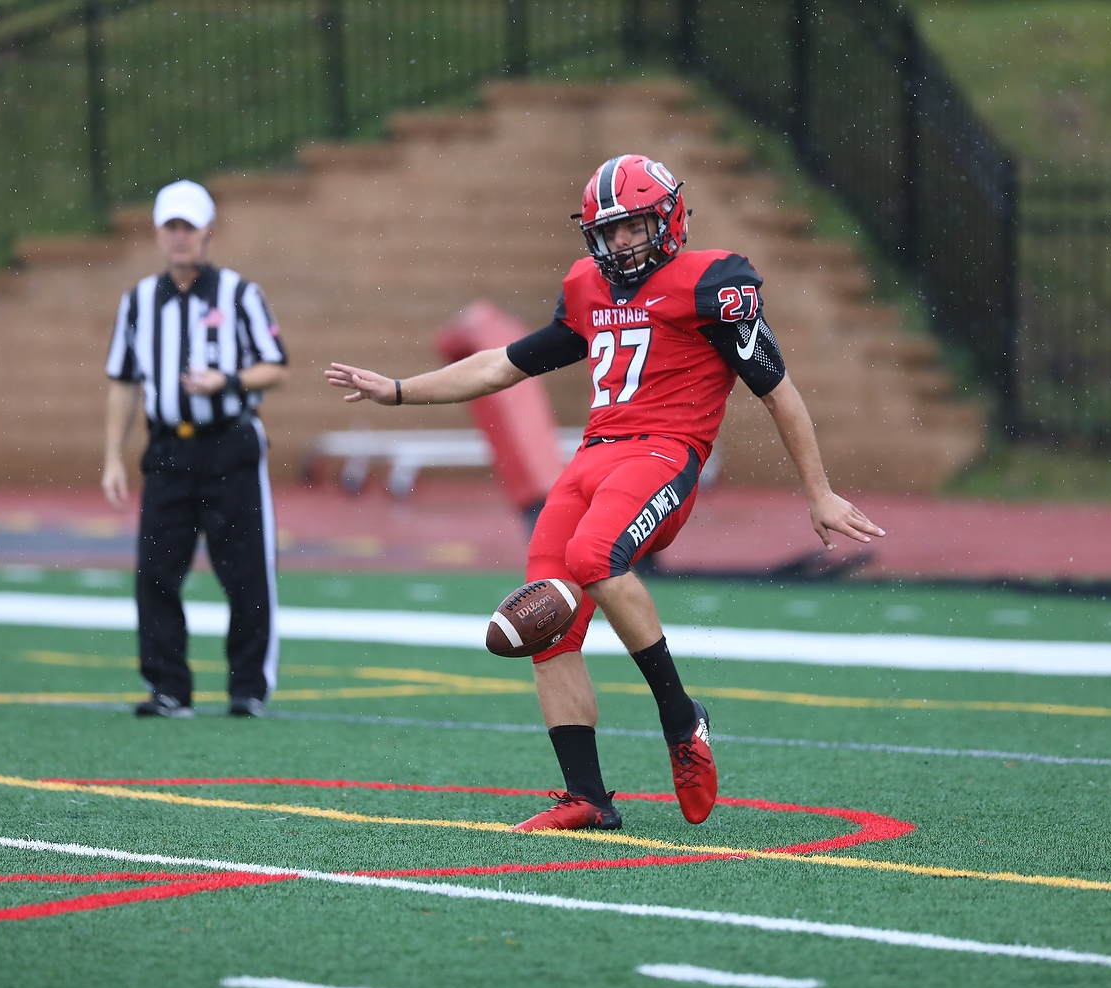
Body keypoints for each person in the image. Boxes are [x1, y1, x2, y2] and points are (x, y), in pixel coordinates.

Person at [325, 155, 882, 830]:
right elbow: (505, 363)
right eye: (607, 231)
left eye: (632, 227)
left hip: (664, 454)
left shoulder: (713, 283)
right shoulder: (587, 288)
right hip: (592, 458)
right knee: (548, 622)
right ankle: (586, 796)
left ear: (668, 217)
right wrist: (402, 389)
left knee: (595, 557)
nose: (619, 243)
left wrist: (818, 492)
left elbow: (779, 394)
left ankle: (680, 718)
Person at [102, 180, 289, 719]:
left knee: (246, 570)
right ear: (158, 233)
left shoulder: (238, 295)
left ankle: (247, 687)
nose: (180, 237)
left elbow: (275, 365)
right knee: (156, 571)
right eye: (171, 226)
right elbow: (123, 379)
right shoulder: (138, 301)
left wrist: (227, 381)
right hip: (168, 451)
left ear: (208, 232)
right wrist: (113, 453)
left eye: (189, 226)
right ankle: (168, 687)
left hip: (229, 445)